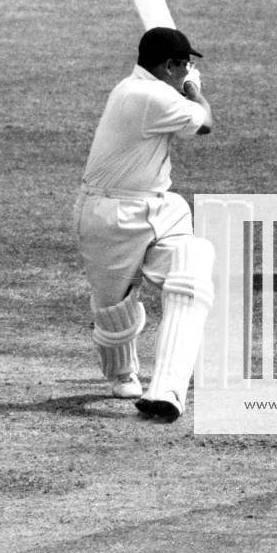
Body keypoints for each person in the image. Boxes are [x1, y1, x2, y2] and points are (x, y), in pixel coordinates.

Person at [74, 27, 214, 422]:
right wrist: (193, 90)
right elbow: (205, 123)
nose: (187, 69)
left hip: (160, 205)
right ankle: (123, 372)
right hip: (109, 215)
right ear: (170, 66)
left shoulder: (147, 90)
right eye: (185, 64)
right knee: (114, 312)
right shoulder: (147, 96)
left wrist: (184, 87)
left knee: (194, 266)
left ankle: (167, 391)